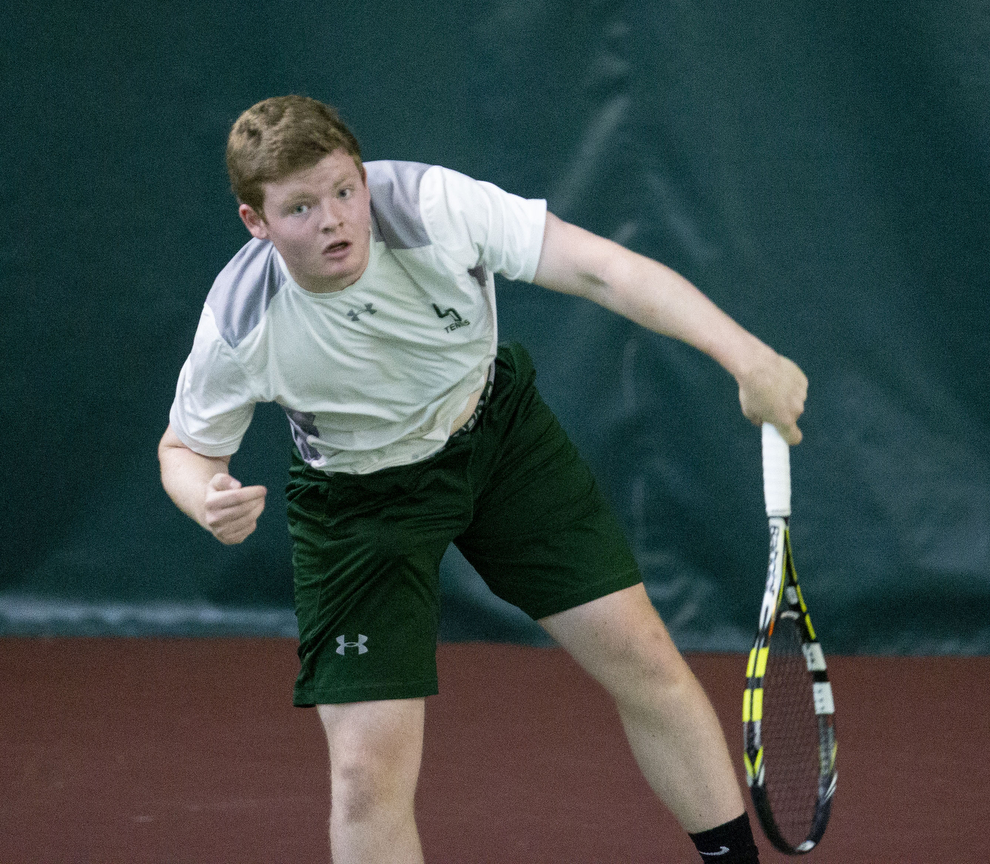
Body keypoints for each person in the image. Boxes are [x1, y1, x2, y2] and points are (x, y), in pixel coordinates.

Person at [159, 94, 807, 864]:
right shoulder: (243, 322)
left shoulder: (434, 207)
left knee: (641, 655)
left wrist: (746, 356)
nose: (334, 219)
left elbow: (601, 269)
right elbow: (184, 448)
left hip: (498, 438)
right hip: (360, 504)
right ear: (254, 222)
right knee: (368, 772)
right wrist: (206, 497)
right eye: (300, 208)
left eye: (343, 191)